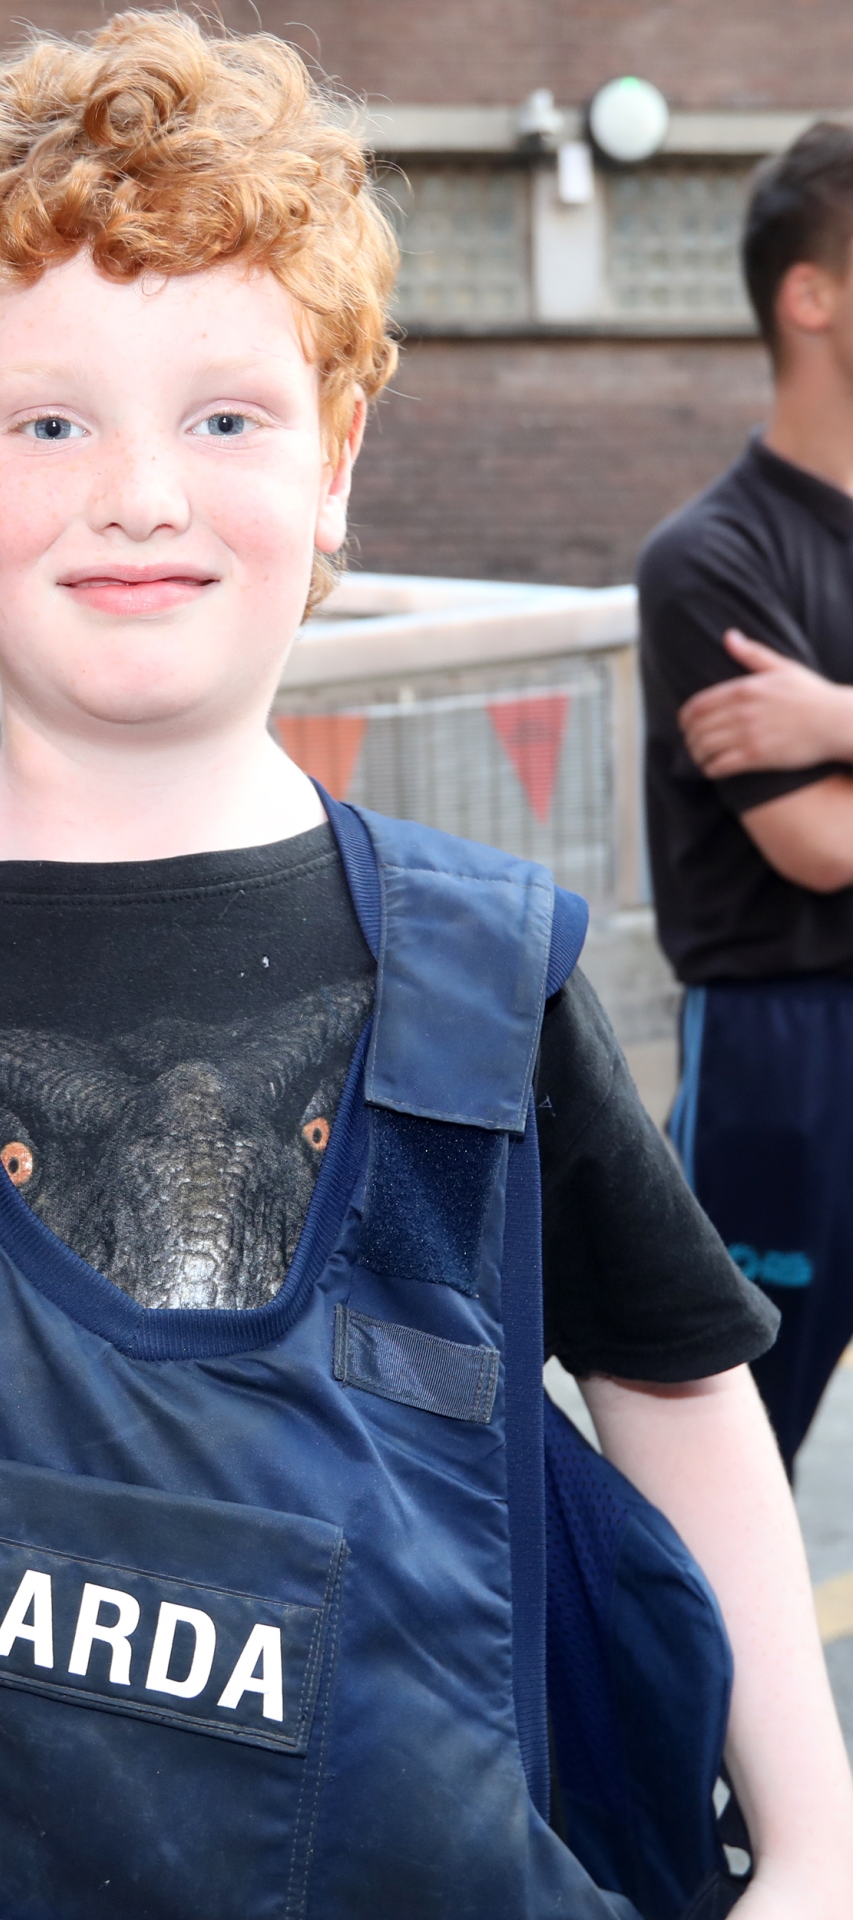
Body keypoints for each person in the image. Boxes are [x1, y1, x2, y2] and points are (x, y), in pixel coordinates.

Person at [0, 18, 853, 1920]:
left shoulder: (482, 979)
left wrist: (820, 1844)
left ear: (336, 462)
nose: (140, 493)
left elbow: (681, 1396)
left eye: (225, 415)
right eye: (47, 422)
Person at [639, 121, 853, 1475]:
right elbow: (819, 844)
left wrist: (840, 718)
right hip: (787, 1055)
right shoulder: (709, 558)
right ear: (812, 294)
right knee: (726, 1477)